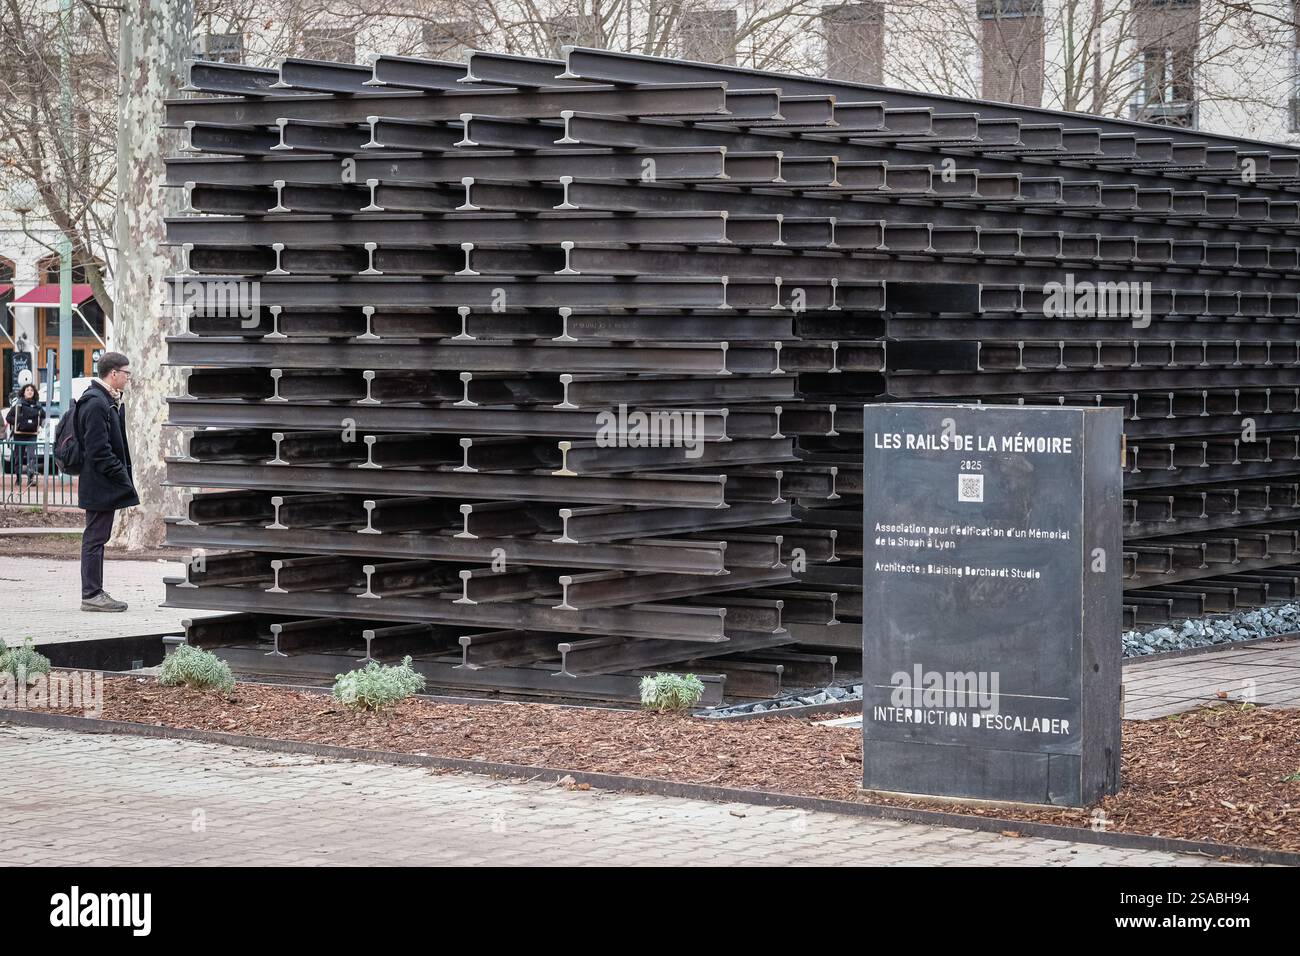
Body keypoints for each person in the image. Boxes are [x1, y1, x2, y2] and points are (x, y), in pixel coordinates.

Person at [78, 352, 138, 612]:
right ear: (113, 373)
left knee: (97, 537)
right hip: (99, 483)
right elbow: (98, 450)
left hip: (102, 482)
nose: (128, 377)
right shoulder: (95, 403)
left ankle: (94, 591)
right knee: (94, 538)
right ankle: (91, 594)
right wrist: (120, 475)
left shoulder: (107, 400)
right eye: (126, 373)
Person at [4, 383, 46, 489]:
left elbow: (44, 417)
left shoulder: (38, 405)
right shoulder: (18, 404)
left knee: (31, 456)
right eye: (27, 390)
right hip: (19, 435)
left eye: (31, 390)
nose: (29, 392)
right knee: (18, 457)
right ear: (23, 392)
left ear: (34, 393)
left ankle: (30, 479)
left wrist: (41, 425)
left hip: (32, 434)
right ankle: (18, 477)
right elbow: (9, 417)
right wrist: (18, 422)